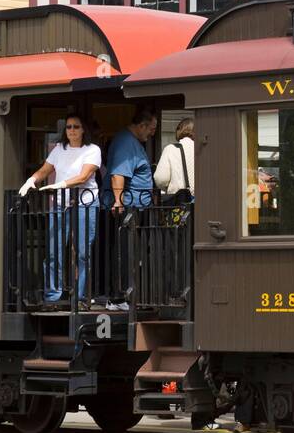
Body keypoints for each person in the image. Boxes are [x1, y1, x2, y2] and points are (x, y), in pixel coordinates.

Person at [19, 114, 102, 306]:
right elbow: (45, 170)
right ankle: (53, 296)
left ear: (83, 130)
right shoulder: (59, 149)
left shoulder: (92, 149)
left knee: (82, 252)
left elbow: (83, 177)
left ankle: (81, 296)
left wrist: (60, 185)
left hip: (85, 204)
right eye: (68, 127)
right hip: (60, 205)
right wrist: (31, 180)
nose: (71, 130)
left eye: (76, 127)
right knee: (54, 251)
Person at [103, 108, 159, 311]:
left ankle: (125, 295)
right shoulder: (126, 142)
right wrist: (118, 201)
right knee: (124, 251)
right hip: (129, 208)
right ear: (142, 125)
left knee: (132, 251)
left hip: (137, 205)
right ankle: (119, 297)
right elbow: (118, 174)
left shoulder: (132, 142)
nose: (152, 133)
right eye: (151, 129)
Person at [154, 116, 195, 198]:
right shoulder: (203, 150)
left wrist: (167, 188)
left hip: (178, 202)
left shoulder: (171, 149)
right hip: (203, 203)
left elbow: (160, 178)